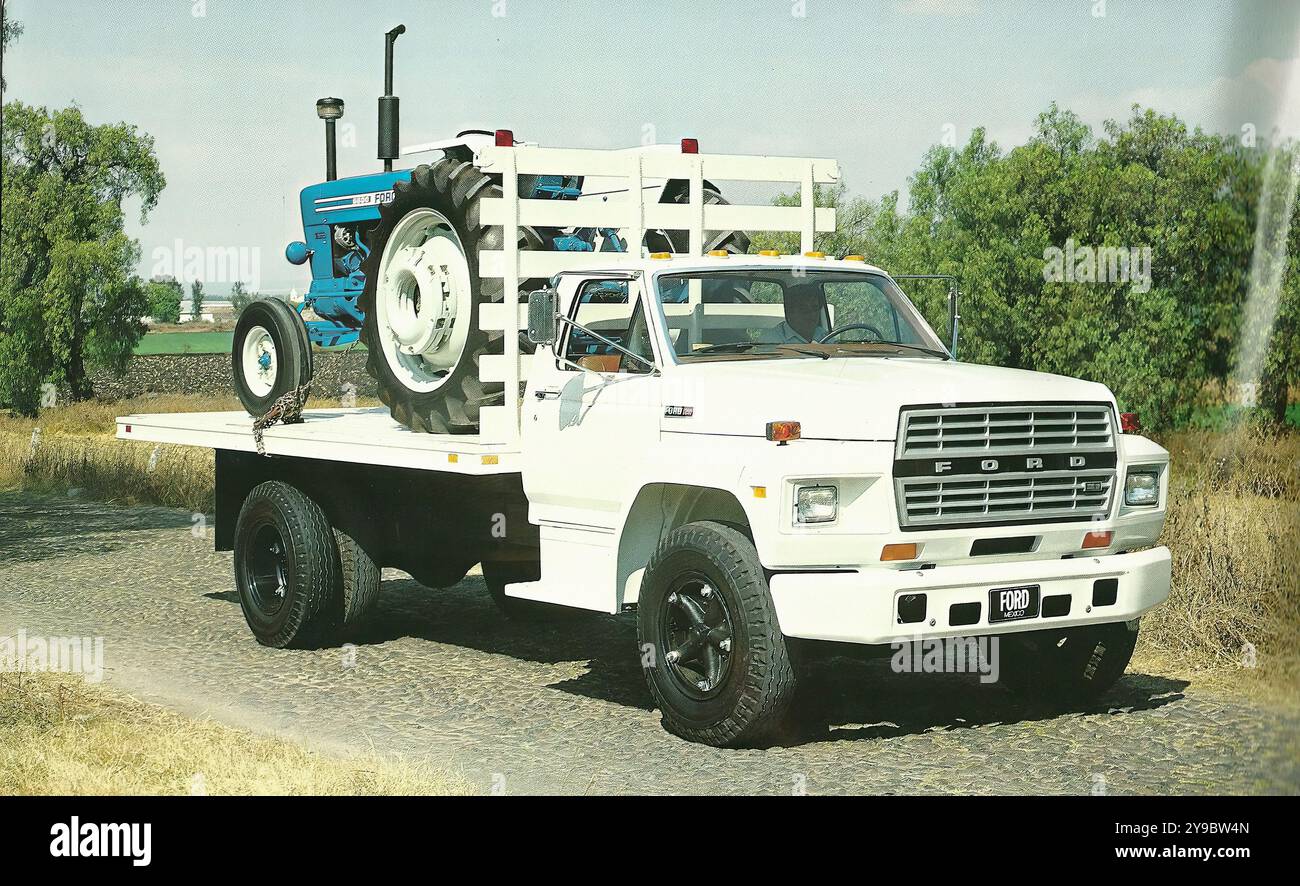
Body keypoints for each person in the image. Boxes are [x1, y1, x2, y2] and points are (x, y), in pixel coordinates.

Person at [760, 284, 828, 343]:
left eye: (815, 308)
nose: (811, 314)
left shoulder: (823, 335)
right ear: (790, 312)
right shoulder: (771, 339)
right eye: (804, 309)